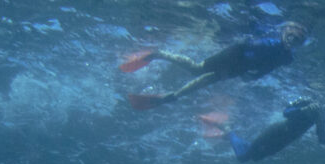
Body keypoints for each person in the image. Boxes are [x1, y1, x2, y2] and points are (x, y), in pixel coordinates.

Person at [125, 22, 309, 109]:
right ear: (285, 33)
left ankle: (171, 96)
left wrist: (253, 75)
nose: (292, 41)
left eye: (297, 40)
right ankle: (158, 54)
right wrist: (232, 66)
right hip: (231, 59)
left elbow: (269, 67)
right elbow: (242, 46)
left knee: (206, 81)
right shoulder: (271, 43)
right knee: (197, 69)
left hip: (238, 68)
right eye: (291, 36)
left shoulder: (287, 57)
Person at [229, 99, 325, 162]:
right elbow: (286, 112)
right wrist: (303, 109)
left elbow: (322, 138)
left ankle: (242, 142)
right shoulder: (306, 102)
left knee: (256, 158)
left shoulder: (320, 116)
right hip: (276, 131)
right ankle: (230, 132)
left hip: (286, 140)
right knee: (244, 158)